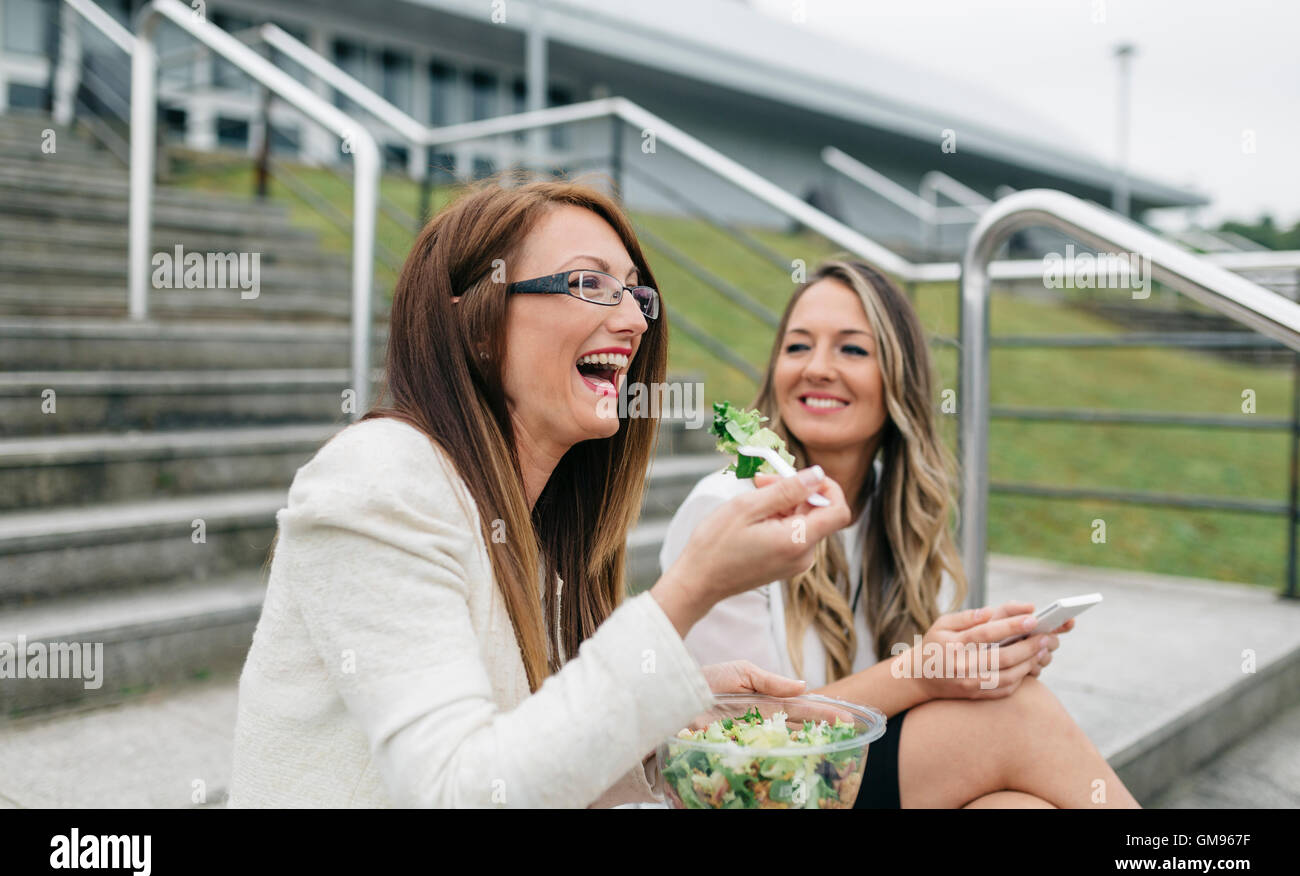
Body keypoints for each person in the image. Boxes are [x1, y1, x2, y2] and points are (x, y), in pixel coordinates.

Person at [226, 179, 851, 808]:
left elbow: (526, 758)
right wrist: (692, 589)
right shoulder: (380, 480)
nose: (634, 319)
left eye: (635, 292)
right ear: (478, 327)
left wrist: (671, 723)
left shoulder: (543, 529)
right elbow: (461, 792)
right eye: (589, 283)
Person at [660, 259, 1140, 809]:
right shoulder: (727, 508)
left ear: (899, 379)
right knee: (1016, 715)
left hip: (846, 778)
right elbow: (742, 734)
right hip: (763, 793)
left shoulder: (901, 507)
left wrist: (981, 662)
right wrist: (922, 671)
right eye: (797, 347)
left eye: (852, 349)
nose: (817, 367)